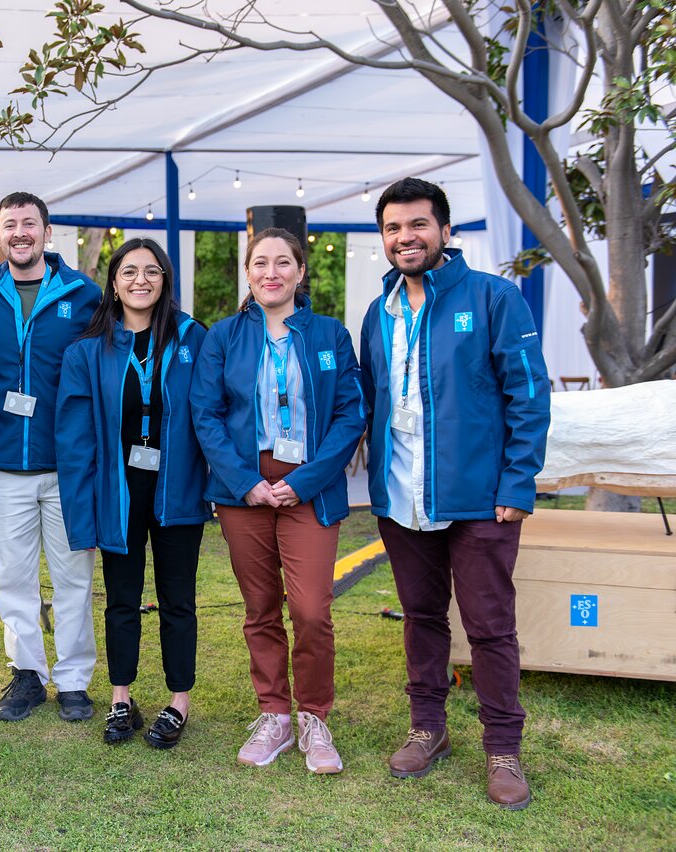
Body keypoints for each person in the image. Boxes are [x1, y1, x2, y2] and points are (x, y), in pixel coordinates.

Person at [359, 178, 549, 809]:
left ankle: (504, 750)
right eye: (392, 228)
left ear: (445, 230)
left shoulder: (493, 297)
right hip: (402, 496)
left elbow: (528, 395)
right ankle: (429, 729)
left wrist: (517, 481)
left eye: (417, 224)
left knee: (490, 627)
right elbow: (373, 399)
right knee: (421, 617)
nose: (405, 238)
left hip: (480, 498)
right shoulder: (378, 312)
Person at [191, 227, 363, 774]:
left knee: (311, 609)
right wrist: (244, 481)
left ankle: (314, 716)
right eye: (260, 262)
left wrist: (308, 480)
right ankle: (275, 715)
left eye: (283, 262)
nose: (272, 272)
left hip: (309, 485)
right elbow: (206, 415)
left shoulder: (330, 334)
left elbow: (351, 413)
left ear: (300, 271)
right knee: (260, 607)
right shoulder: (223, 336)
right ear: (247, 273)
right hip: (244, 487)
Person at [56, 238, 208, 748]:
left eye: (151, 271)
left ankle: (178, 701)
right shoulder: (88, 351)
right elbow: (75, 442)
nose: (140, 280)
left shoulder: (192, 338)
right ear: (114, 284)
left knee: (177, 599)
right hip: (117, 492)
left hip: (177, 489)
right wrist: (82, 515)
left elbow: (212, 415)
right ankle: (121, 697)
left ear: (165, 280)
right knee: (121, 598)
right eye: (129, 272)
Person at [0, 192, 102, 722]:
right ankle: (27, 674)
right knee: (11, 580)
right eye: (10, 225)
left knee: (73, 579)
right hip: (3, 462)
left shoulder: (83, 293)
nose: (20, 233)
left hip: (68, 465)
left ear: (48, 232)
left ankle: (73, 680)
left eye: (30, 223)